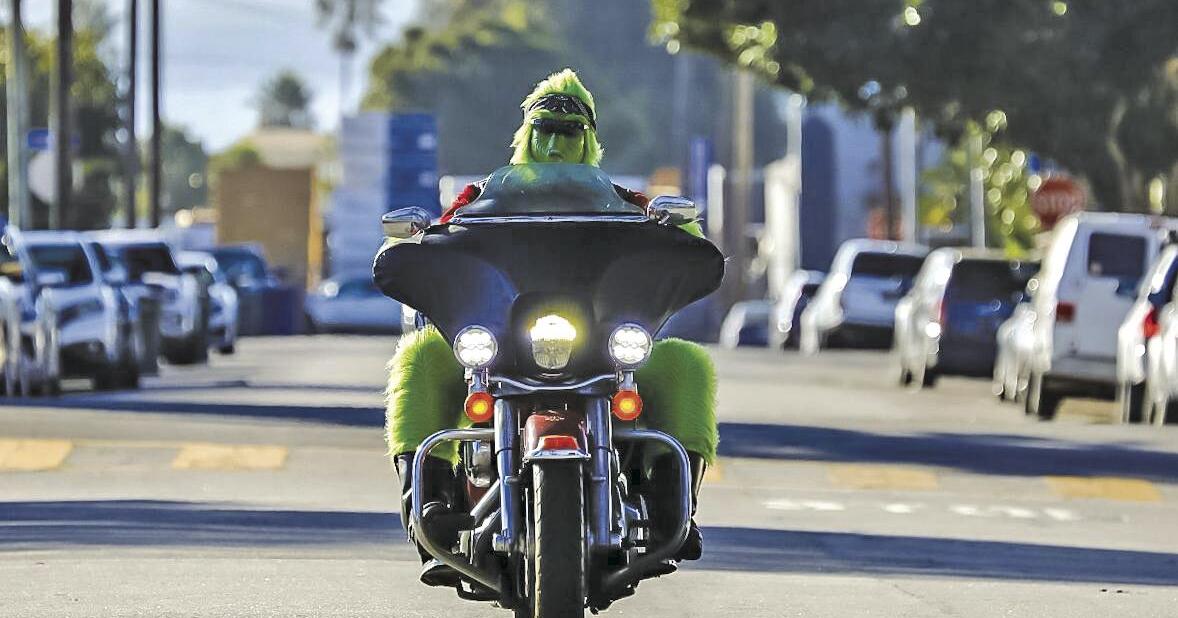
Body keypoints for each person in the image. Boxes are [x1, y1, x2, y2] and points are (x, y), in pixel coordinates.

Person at [386, 69, 716, 584]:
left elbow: (687, 237)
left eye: (569, 135)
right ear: (526, 135)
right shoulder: (478, 199)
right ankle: (431, 502)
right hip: (501, 347)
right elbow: (439, 235)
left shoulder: (625, 203)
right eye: (545, 131)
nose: (556, 145)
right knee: (421, 356)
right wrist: (419, 237)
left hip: (601, 348)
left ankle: (671, 502)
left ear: (588, 141)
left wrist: (675, 226)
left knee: (685, 362)